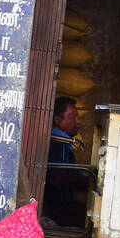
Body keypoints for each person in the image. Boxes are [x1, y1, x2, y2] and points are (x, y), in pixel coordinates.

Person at [43, 95, 88, 228]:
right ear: (57, 119)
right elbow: (57, 178)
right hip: (57, 208)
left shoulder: (62, 142)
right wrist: (89, 181)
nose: (79, 122)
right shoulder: (57, 143)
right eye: (73, 117)